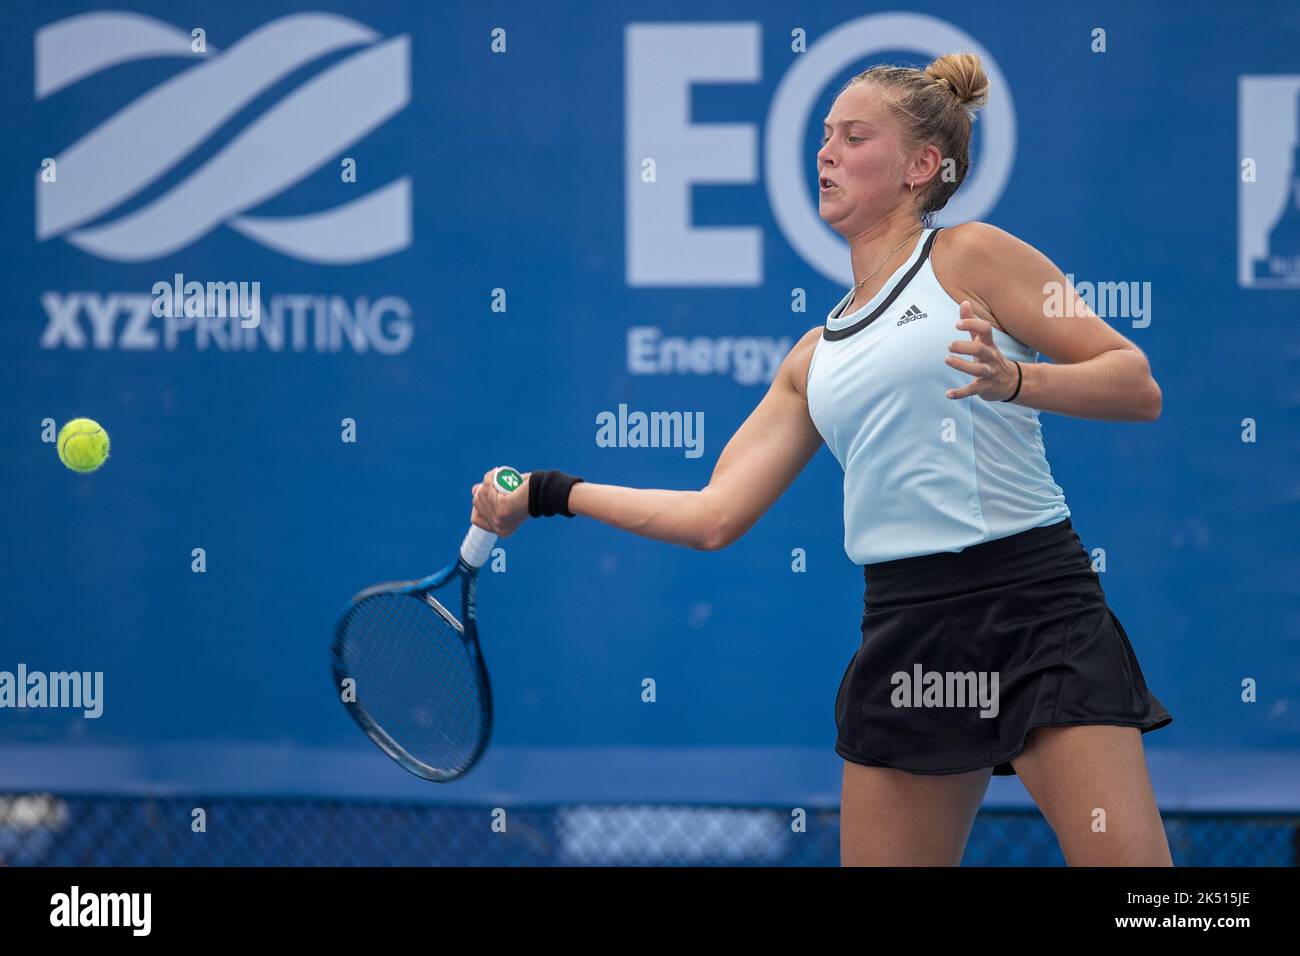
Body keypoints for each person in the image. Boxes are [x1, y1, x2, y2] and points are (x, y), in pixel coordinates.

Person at [470, 52, 1173, 866]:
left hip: (1038, 609)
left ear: (920, 167)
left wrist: (1016, 379)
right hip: (907, 630)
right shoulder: (813, 357)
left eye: (853, 136)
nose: (826, 152)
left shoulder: (973, 258)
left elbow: (1135, 382)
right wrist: (553, 492)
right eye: (824, 135)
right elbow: (713, 516)